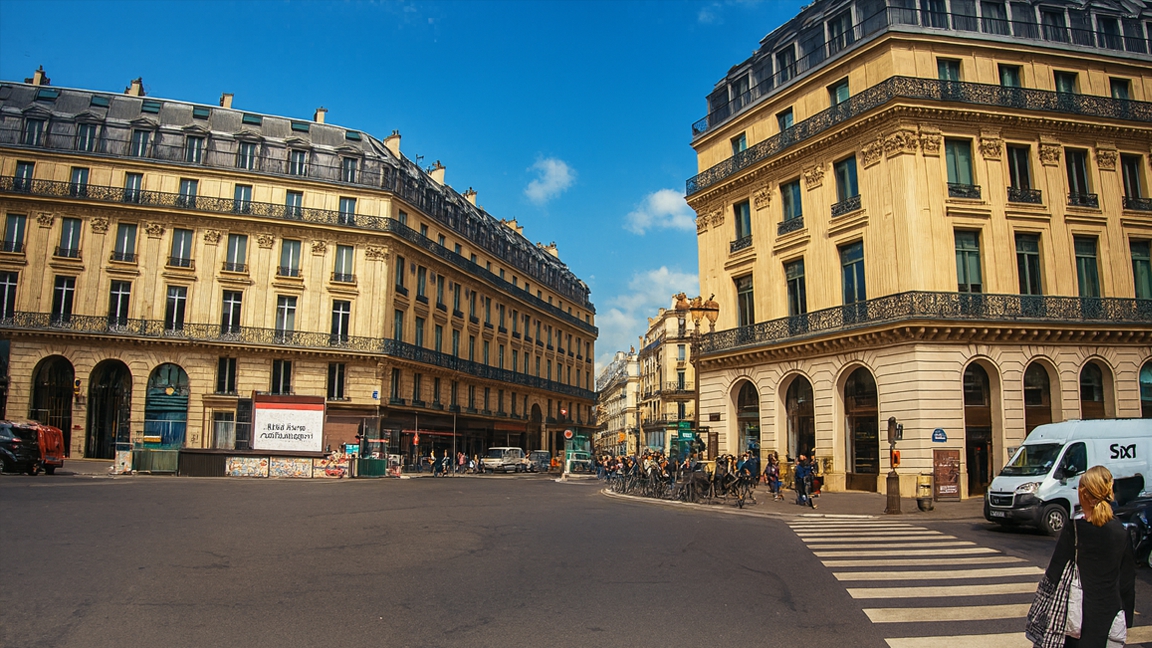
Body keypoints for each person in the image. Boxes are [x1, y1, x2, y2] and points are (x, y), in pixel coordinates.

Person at [1043, 465, 1134, 648]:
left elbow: (1054, 573)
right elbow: (1127, 581)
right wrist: (1127, 618)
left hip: (1077, 615)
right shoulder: (1122, 532)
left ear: (1083, 494)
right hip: (1109, 615)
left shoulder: (1075, 530)